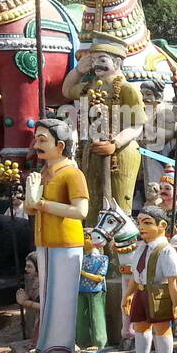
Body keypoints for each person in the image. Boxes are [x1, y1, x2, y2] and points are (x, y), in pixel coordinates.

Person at [15, 119, 88, 353]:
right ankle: (44, 345)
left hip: (66, 243)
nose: (37, 144)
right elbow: (31, 209)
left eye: (43, 139)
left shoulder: (72, 173)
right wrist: (30, 197)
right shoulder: (43, 174)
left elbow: (81, 211)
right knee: (47, 297)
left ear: (60, 145)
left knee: (63, 297)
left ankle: (64, 348)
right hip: (44, 242)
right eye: (37, 139)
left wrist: (43, 204)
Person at [61, 36, 145, 228]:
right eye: (94, 60)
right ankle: (93, 250)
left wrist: (114, 144)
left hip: (120, 154)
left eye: (102, 59)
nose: (97, 65)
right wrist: (78, 70)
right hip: (93, 151)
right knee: (92, 204)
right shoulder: (90, 88)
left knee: (117, 207)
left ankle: (118, 254)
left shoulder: (127, 89)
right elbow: (66, 90)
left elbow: (137, 126)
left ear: (117, 62)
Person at [120, 206, 177, 353]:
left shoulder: (166, 251)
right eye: (139, 223)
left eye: (147, 223)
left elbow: (172, 280)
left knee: (161, 327)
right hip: (141, 292)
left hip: (159, 293)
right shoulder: (140, 248)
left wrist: (176, 302)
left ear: (162, 225)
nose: (141, 227)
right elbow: (135, 275)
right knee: (140, 326)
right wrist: (127, 294)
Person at [76, 230, 109, 353]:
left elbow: (100, 277)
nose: (84, 241)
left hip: (96, 290)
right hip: (81, 289)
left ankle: (99, 342)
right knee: (81, 317)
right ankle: (81, 341)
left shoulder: (102, 258)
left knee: (97, 316)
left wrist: (83, 273)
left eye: (86, 238)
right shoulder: (81, 258)